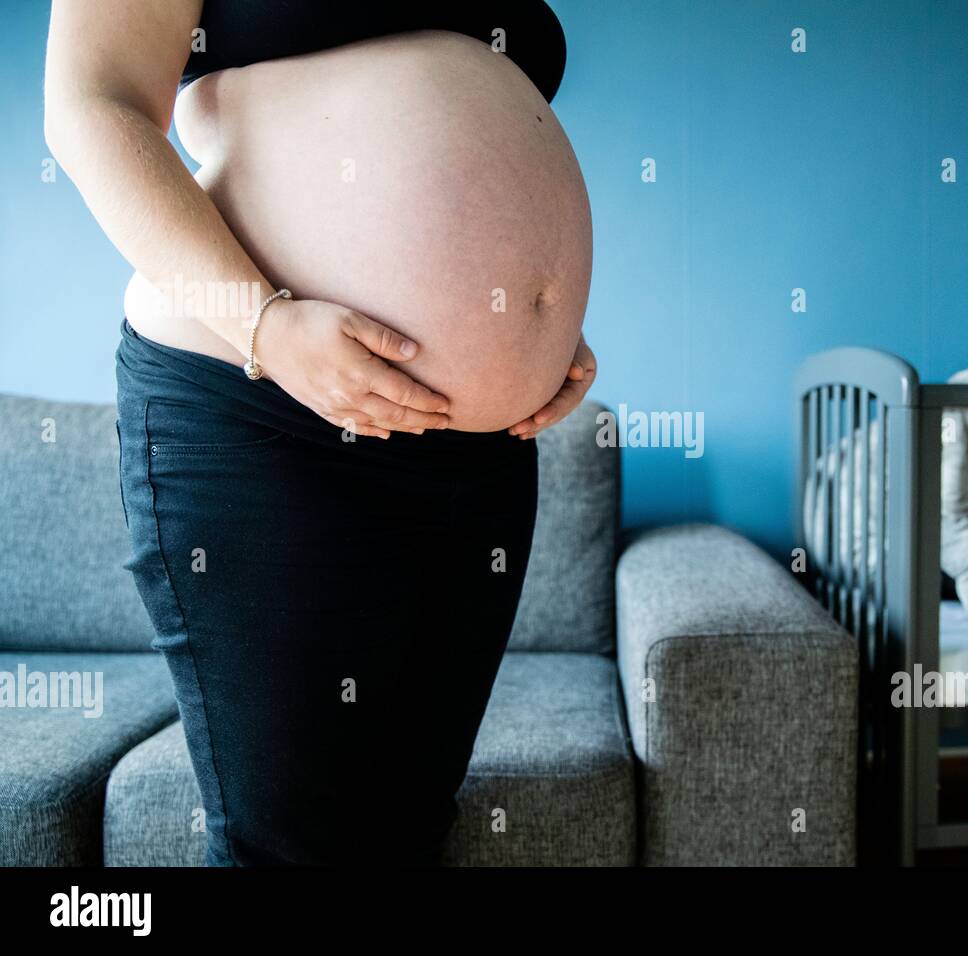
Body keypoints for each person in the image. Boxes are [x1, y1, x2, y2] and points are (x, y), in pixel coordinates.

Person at [43, 0, 596, 865]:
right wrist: (265, 329)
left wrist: (535, 322)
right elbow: (92, 101)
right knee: (290, 851)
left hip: (477, 450)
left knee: (408, 833)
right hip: (262, 413)